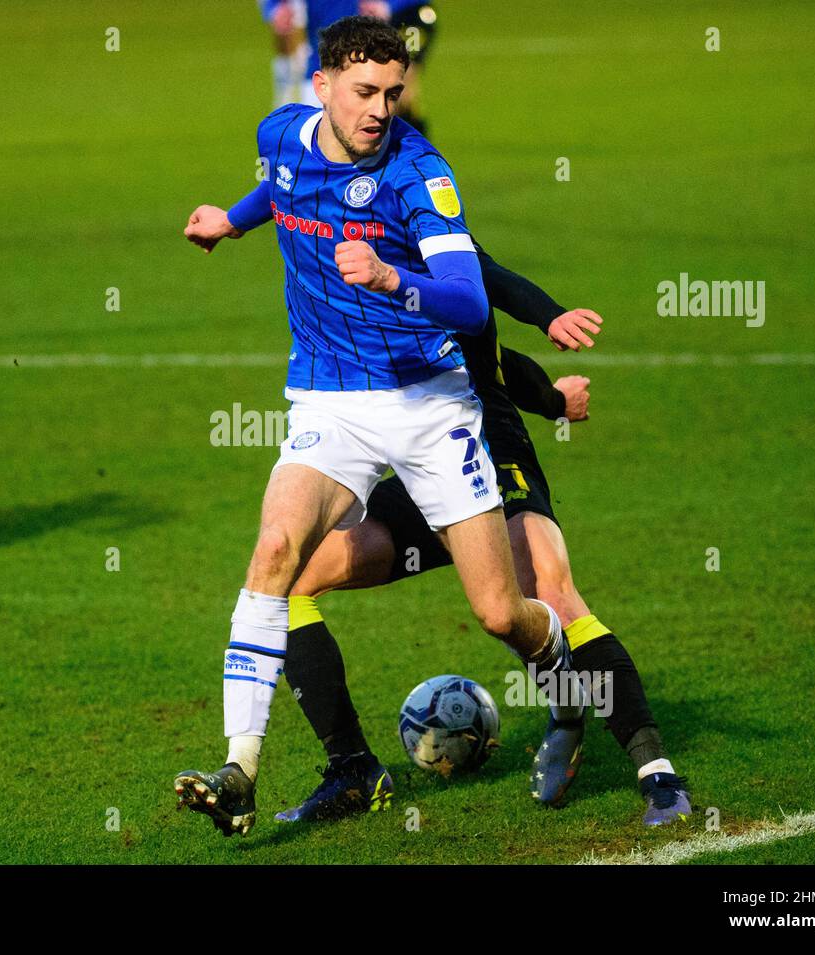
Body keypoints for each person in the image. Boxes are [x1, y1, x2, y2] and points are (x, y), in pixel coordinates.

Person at [175, 16, 587, 837]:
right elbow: (285, 186)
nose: (381, 110)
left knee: (501, 612)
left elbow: (470, 299)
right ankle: (240, 769)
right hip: (330, 400)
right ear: (320, 87)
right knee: (274, 553)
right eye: (365, 92)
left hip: (432, 409)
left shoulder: (419, 174)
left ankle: (565, 675)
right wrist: (233, 218)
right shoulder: (282, 134)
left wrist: (395, 276)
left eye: (394, 93)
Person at [277, 243, 692, 827]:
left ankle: (658, 776)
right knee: (291, 584)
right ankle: (352, 771)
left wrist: (550, 328)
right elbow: (497, 359)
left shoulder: (436, 235)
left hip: (491, 454)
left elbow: (493, 311)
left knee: (549, 590)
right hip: (421, 467)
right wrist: (233, 220)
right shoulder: (344, 240)